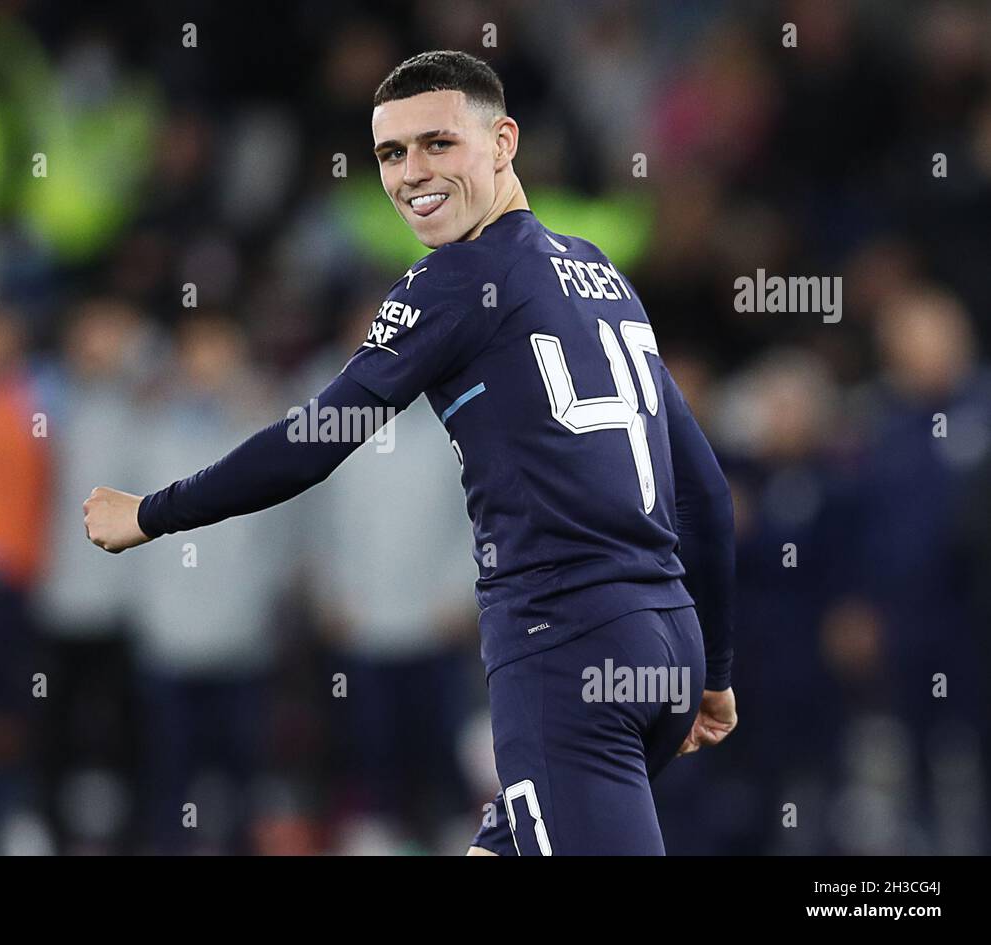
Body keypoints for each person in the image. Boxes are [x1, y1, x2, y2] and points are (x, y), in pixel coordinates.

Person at [84, 50, 738, 855]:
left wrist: (153, 511)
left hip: (566, 649)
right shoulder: (600, 272)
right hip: (661, 640)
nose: (411, 173)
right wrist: (712, 669)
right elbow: (701, 488)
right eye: (391, 153)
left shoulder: (455, 280)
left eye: (438, 143)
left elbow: (314, 441)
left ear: (504, 141)